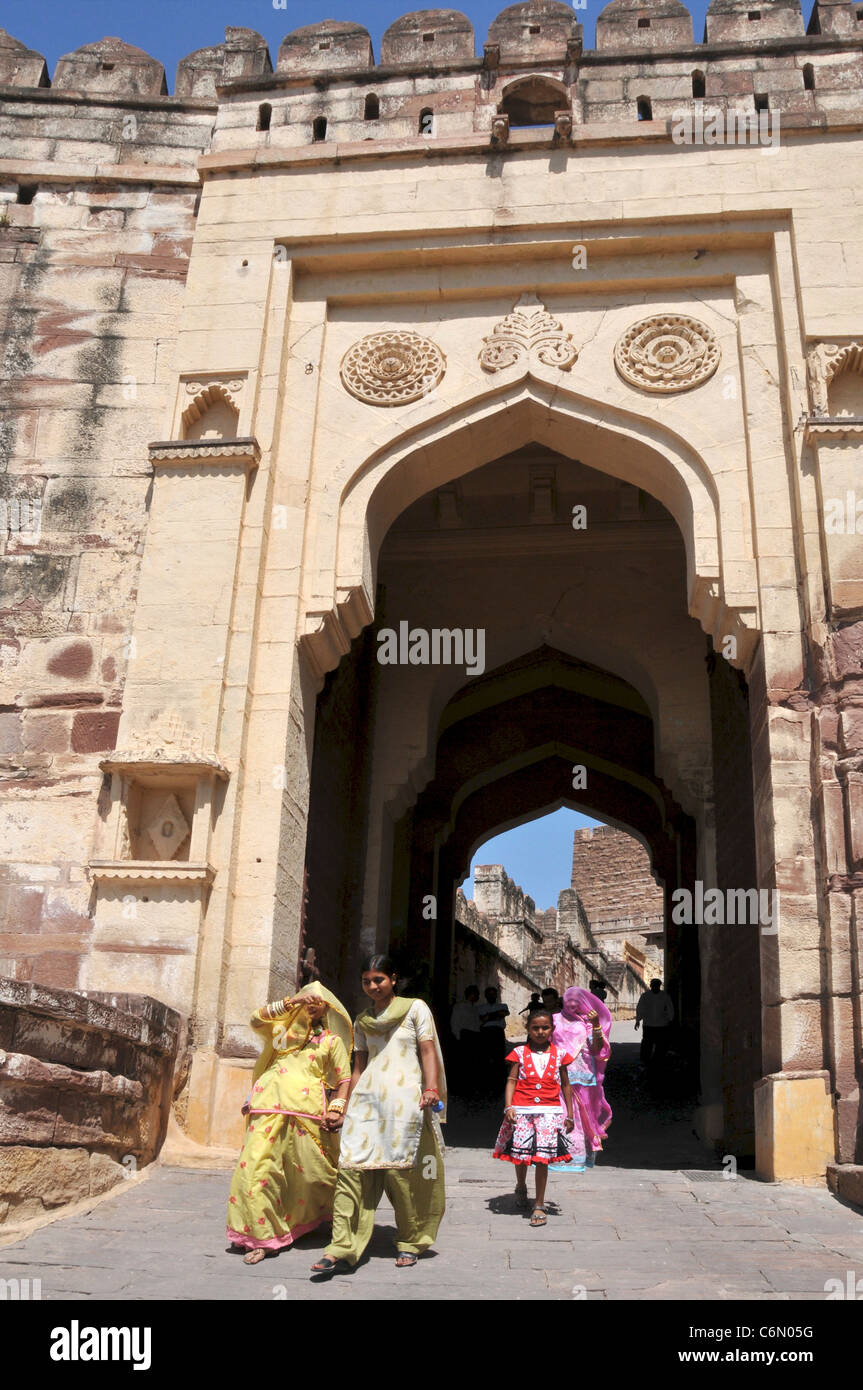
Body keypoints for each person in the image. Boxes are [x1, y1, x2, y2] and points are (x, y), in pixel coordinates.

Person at [311, 954, 447, 1275]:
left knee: (401, 1175)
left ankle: (410, 1241)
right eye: (366, 981)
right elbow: (358, 1068)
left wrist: (431, 1088)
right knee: (350, 1168)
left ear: (394, 979)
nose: (372, 986)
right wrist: (342, 1104)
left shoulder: (416, 1009)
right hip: (367, 1101)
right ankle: (341, 1245)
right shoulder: (361, 1021)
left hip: (404, 1101)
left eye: (378, 980)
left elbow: (427, 1050)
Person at [226, 981, 352, 1263]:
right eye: (308, 998)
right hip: (268, 1105)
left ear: (327, 1007)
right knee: (256, 1169)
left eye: (319, 1000)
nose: (313, 1003)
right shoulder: (280, 1033)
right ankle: (260, 1236)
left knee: (311, 1174)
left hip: (308, 1114)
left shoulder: (332, 1041)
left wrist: (337, 1107)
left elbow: (343, 1079)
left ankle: (318, 1219)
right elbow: (255, 1018)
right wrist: (288, 1004)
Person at [493, 1006, 581, 1227]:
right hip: (522, 1111)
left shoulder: (560, 1055)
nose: (540, 1032)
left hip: (550, 1113)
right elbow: (511, 1081)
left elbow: (566, 1085)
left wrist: (570, 1114)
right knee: (521, 1154)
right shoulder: (519, 1053)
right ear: (528, 1029)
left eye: (545, 1027)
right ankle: (521, 1185)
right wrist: (508, 1106)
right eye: (535, 1028)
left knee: (542, 1158)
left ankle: (539, 1203)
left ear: (552, 1029)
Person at [551, 986, 612, 1168]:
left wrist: (595, 1025)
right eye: (568, 1000)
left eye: (576, 1001)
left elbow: (596, 1049)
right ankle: (560, 1153)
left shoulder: (587, 1023)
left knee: (583, 1115)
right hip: (558, 1073)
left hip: (583, 1074)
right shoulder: (554, 1020)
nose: (571, 1004)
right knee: (562, 1113)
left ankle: (579, 1155)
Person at [635, 978, 674, 1066]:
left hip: (661, 1025)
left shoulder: (665, 996)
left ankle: (656, 1059)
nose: (655, 987)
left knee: (659, 1044)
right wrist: (637, 1020)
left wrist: (670, 1020)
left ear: (659, 986)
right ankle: (647, 1059)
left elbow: (670, 1009)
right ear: (651, 986)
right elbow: (640, 1008)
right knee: (648, 1043)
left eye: (656, 985)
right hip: (650, 1024)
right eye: (654, 985)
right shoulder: (645, 996)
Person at [450, 984, 481, 1094]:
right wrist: (458, 1037)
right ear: (472, 994)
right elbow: (455, 1022)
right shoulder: (460, 1006)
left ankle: (471, 1086)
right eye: (477, 994)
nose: (478, 996)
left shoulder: (474, 1008)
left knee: (473, 1063)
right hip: (465, 1037)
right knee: (464, 1063)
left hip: (474, 1037)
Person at [478, 985, 510, 1091]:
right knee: (485, 1057)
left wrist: (488, 1017)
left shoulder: (503, 1006)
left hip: (498, 1032)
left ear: (496, 995)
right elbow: (481, 1019)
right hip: (485, 1033)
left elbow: (504, 1013)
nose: (491, 996)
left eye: (493, 994)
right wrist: (496, 1015)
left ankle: (499, 1082)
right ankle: (487, 1081)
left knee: (499, 1057)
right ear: (486, 996)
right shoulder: (481, 1007)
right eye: (489, 994)